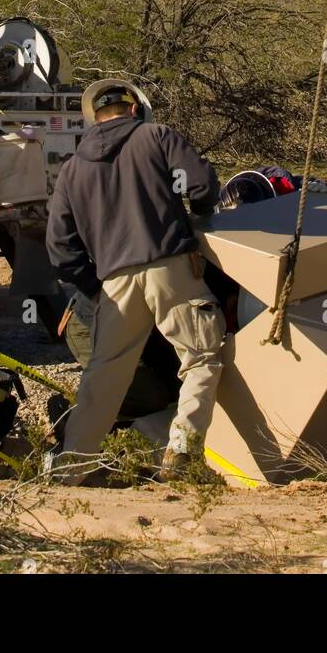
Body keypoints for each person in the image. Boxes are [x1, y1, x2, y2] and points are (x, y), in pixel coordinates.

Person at [45, 78, 224, 482]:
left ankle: (72, 468)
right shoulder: (157, 136)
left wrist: (93, 288)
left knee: (104, 378)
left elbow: (59, 246)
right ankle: (182, 451)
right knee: (201, 357)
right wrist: (197, 217)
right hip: (170, 266)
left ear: (93, 119)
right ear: (133, 108)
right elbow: (201, 185)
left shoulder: (72, 170)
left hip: (114, 283)